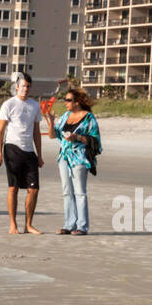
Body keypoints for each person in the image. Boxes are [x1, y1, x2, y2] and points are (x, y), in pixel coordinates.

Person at [45, 85, 101, 235]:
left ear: (77, 102)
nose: (66, 103)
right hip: (64, 157)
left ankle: (82, 226)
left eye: (68, 100)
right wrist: (50, 122)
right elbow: (52, 135)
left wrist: (76, 137)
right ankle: (69, 224)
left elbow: (95, 140)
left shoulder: (88, 117)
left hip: (80, 157)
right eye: (65, 100)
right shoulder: (65, 116)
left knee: (80, 192)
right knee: (66, 191)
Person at [0, 72, 43, 235]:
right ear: (17, 87)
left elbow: (36, 132)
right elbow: (1, 131)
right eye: (23, 86)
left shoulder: (35, 105)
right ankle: (13, 225)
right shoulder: (8, 105)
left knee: (34, 189)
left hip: (29, 150)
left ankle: (28, 225)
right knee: (13, 188)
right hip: (12, 148)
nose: (25, 89)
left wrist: (40, 155)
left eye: (28, 86)